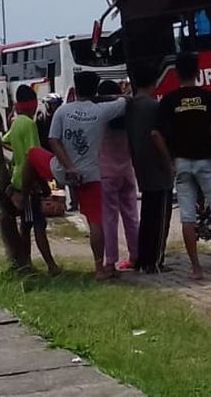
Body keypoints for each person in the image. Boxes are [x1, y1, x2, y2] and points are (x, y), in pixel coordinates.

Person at [155, 52, 211, 280]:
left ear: (177, 74)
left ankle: (196, 269)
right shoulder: (209, 97)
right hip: (208, 162)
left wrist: (169, 161)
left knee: (188, 218)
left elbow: (156, 134)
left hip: (181, 163)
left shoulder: (169, 100)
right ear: (197, 72)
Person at [48, 71, 126, 279]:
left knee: (32, 156)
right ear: (95, 90)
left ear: (75, 88)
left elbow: (53, 141)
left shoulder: (62, 112)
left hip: (61, 171)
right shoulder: (101, 111)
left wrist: (68, 167)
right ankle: (99, 268)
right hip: (90, 175)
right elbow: (124, 102)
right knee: (95, 221)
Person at [1, 85, 58, 275]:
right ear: (31, 105)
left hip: (18, 175)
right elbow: (33, 156)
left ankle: (27, 263)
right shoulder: (29, 124)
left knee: (26, 225)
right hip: (28, 181)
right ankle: (50, 265)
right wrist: (39, 186)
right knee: (38, 226)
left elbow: (5, 140)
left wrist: (17, 156)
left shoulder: (16, 123)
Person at [127, 64, 174, 274]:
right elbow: (158, 136)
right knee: (161, 217)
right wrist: (169, 163)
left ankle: (142, 258)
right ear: (154, 82)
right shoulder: (155, 107)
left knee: (147, 215)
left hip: (141, 166)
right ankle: (155, 261)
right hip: (158, 167)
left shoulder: (130, 107)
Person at [97, 80, 139, 276]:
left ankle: (110, 262)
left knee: (109, 219)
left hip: (106, 174)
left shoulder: (100, 118)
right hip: (127, 171)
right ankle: (136, 255)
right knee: (131, 216)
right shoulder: (127, 118)